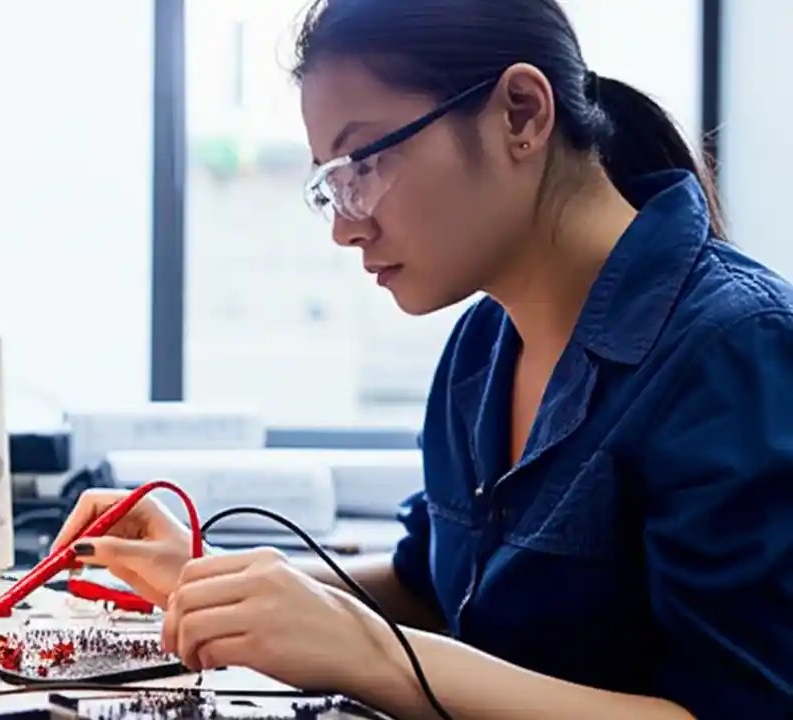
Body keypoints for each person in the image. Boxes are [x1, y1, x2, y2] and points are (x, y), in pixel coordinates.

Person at [50, 1, 793, 718]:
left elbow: (739, 706)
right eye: (329, 185)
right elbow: (430, 584)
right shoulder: (481, 349)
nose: (345, 227)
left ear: (521, 114)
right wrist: (203, 577)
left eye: (364, 162)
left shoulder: (737, 348)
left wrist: (378, 658)